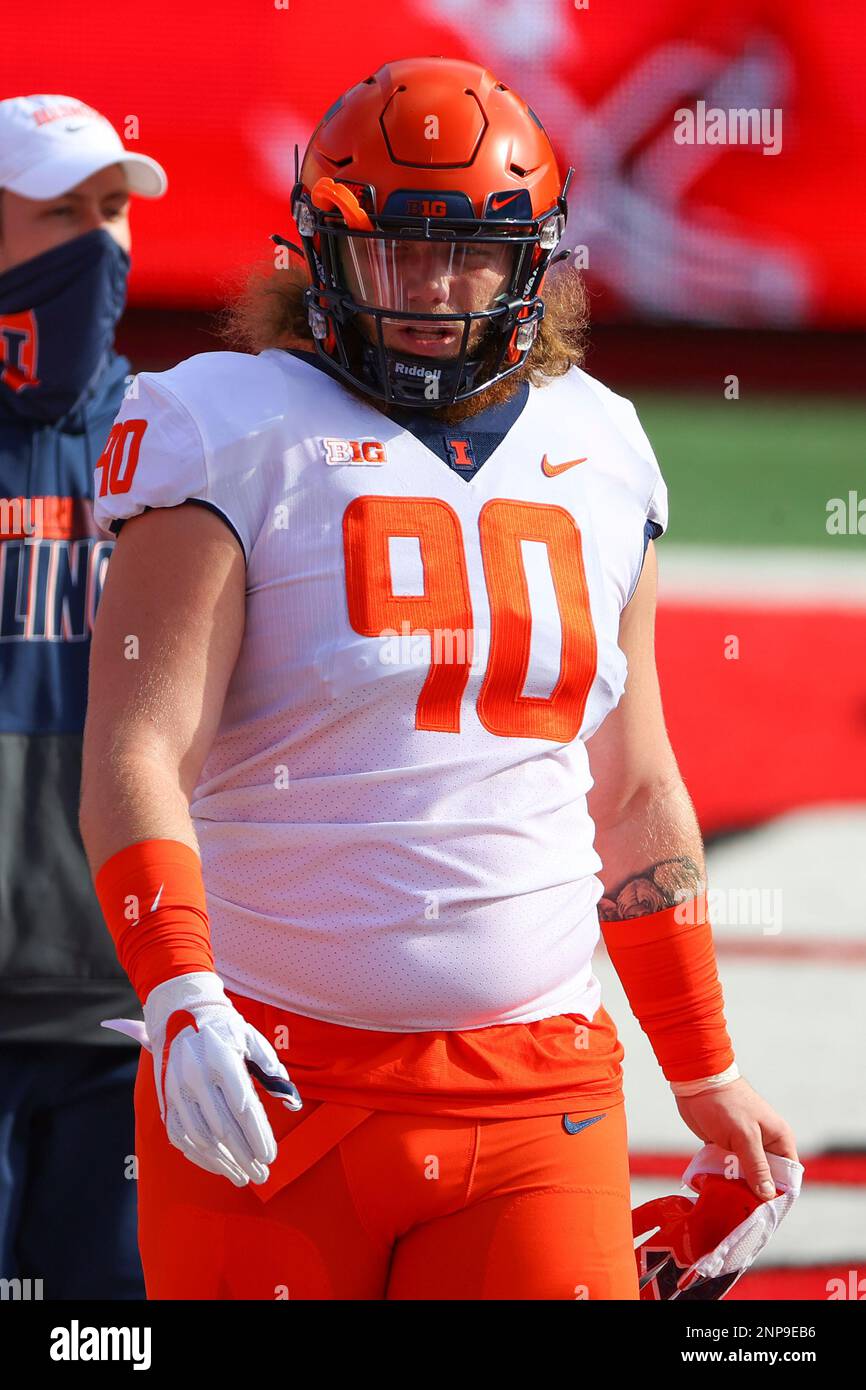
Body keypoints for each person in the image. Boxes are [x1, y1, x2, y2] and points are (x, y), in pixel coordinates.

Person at [80, 57, 797, 1301]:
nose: (430, 290)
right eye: (395, 254)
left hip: (540, 1090)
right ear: (319, 251)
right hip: (270, 1072)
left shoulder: (603, 442)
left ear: (531, 263)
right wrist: (180, 986)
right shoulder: (223, 425)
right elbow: (138, 752)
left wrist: (701, 1069)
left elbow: (632, 788)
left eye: (466, 251)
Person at [0, 95, 166, 1298]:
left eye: (114, 212)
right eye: (63, 214)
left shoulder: (173, 440)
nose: (102, 244)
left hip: (128, 1005)